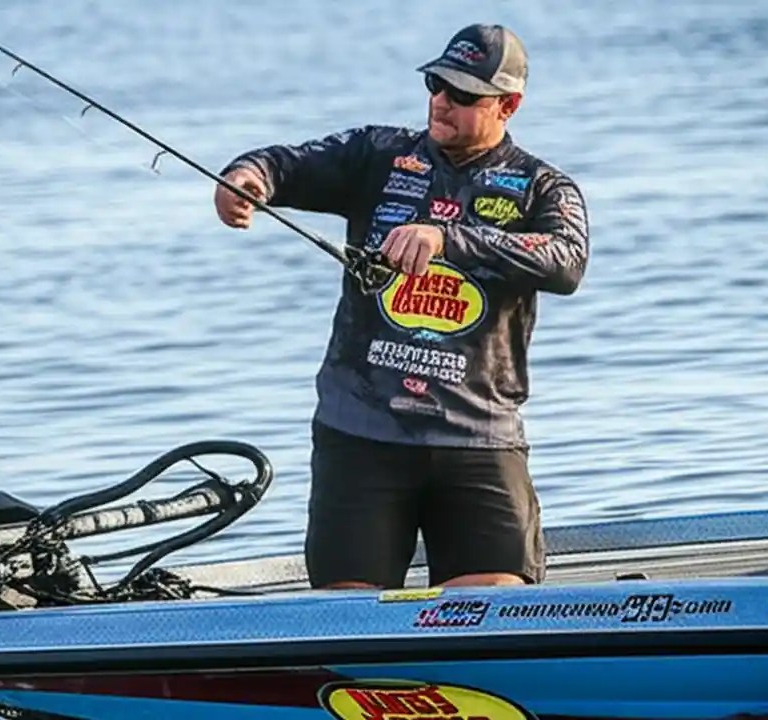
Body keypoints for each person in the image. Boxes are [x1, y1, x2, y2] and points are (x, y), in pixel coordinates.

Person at [213, 24, 589, 590]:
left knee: (494, 603)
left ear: (508, 105)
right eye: (437, 84)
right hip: (362, 431)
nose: (442, 101)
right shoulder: (378, 155)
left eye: (463, 94)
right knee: (345, 612)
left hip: (477, 436)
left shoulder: (543, 187)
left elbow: (567, 261)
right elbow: (282, 164)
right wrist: (245, 178)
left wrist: (450, 237)